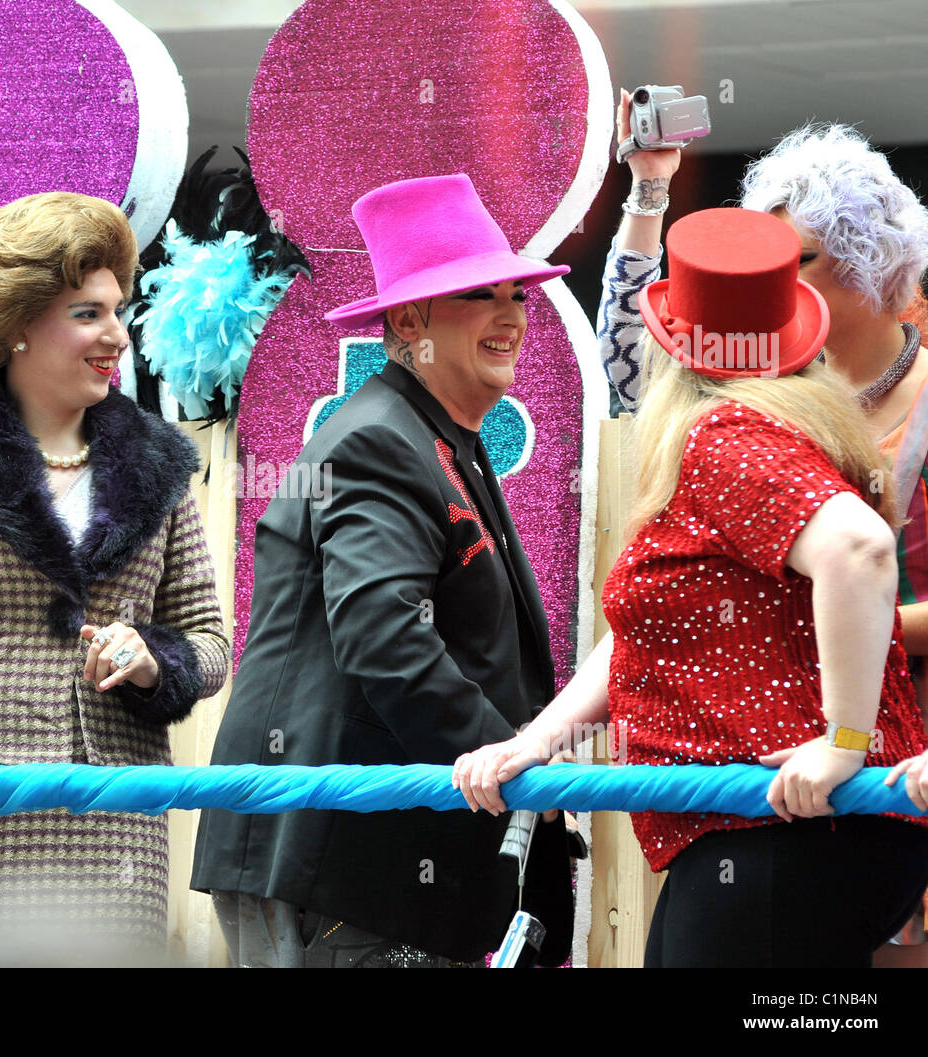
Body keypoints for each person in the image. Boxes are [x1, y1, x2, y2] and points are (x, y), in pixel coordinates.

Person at [456, 207, 928, 968]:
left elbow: (861, 550)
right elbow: (657, 630)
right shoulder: (776, 429)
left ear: (674, 348)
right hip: (786, 831)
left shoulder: (727, 434)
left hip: (786, 826)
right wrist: (539, 738)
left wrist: (844, 742)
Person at [191, 173, 576, 967]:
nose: (510, 316)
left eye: (519, 297)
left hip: (368, 867)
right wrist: (514, 763)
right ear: (409, 318)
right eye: (480, 295)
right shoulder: (380, 438)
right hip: (342, 869)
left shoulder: (425, 434)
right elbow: (385, 636)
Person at [0, 192, 229, 966]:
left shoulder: (160, 464)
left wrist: (155, 659)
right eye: (88, 313)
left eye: (117, 311)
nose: (117, 336)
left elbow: (212, 638)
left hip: (118, 818)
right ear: (19, 325)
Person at [597, 110, 928, 955]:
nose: (776, 277)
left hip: (874, 776)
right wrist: (647, 192)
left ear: (866, 266)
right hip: (807, 785)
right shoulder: (744, 405)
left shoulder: (738, 430)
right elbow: (635, 356)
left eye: (800, 259)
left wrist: (852, 712)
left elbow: (860, 555)